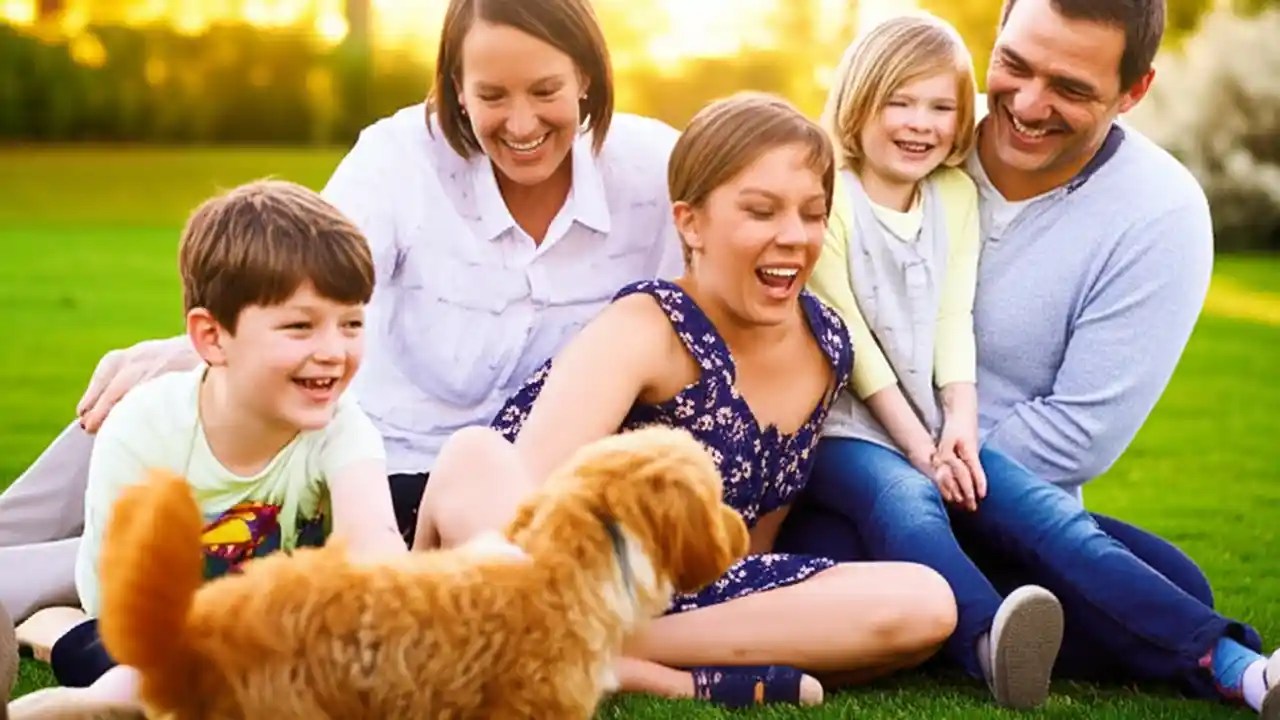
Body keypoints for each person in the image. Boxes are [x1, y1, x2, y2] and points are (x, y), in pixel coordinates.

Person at [0, 0, 683, 625]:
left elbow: (718, 308)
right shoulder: (401, 157)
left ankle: (34, 580)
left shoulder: (652, 172)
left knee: (217, 541)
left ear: (588, 78)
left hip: (477, 495)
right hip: (349, 438)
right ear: (454, 87)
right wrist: (194, 350)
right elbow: (305, 279)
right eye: (491, 96)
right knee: (145, 393)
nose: (523, 123)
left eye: (546, 91)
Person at [780, 3, 1280, 717]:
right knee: (886, 533)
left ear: (1134, 92)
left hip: (975, 475)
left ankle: (1234, 665)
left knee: (1173, 578)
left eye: (1070, 88)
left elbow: (1078, 433)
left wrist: (953, 454)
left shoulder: (1157, 213)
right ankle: (985, 631)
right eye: (1013, 65)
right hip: (855, 460)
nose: (1026, 103)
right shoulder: (892, 159)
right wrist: (923, 460)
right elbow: (843, 334)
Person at [408, 92, 958, 710]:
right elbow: (528, 515)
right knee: (475, 456)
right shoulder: (646, 327)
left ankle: (595, 656)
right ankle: (625, 664)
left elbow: (753, 549)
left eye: (812, 214)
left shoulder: (829, 344)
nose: (793, 237)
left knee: (926, 602)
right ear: (690, 223)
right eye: (761, 211)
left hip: (689, 599)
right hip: (541, 573)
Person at [7, 180, 408, 717]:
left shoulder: (341, 426)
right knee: (136, 683)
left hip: (286, 633)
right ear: (212, 338)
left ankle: (58, 635)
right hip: (155, 634)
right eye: (300, 327)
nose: (334, 352)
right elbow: (126, 608)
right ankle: (66, 695)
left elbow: (371, 537)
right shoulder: (144, 430)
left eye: (352, 324)